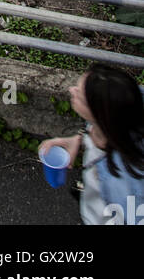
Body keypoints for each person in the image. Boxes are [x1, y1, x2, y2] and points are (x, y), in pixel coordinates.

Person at [39, 67, 144, 225]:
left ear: (100, 113)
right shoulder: (122, 109)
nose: (71, 90)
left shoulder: (124, 186)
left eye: (80, 96)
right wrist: (79, 138)